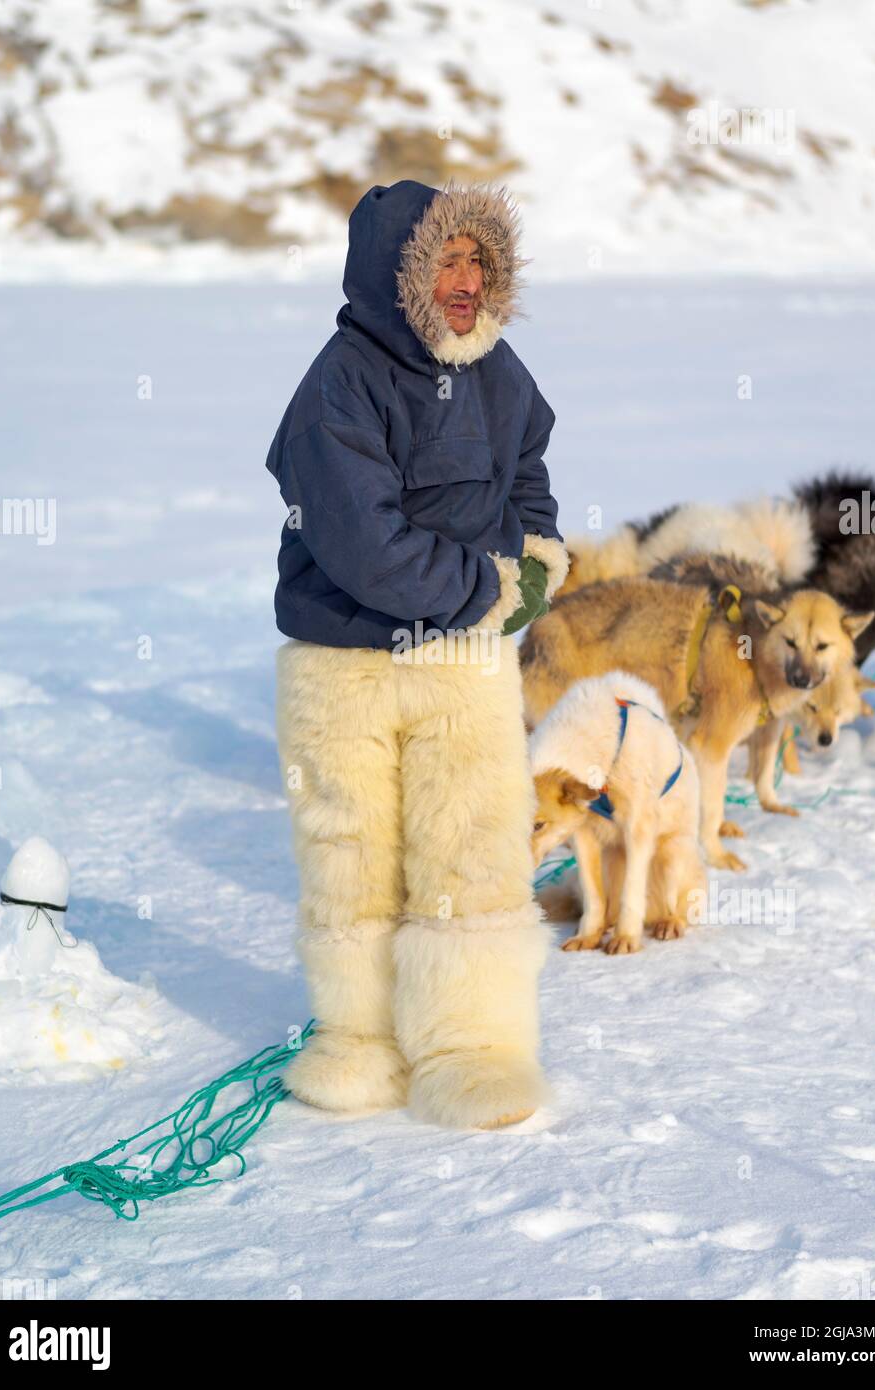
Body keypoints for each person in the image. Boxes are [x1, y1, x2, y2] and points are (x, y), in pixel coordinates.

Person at [265, 180, 568, 1129]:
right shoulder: (336, 385)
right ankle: (358, 1041)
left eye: (479, 259)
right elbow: (365, 544)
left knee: (470, 852)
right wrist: (489, 588)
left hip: (462, 668)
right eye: (446, 259)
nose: (467, 279)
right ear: (395, 276)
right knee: (352, 860)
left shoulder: (499, 370)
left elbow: (530, 472)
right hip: (342, 666)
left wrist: (538, 555)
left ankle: (472, 1050)